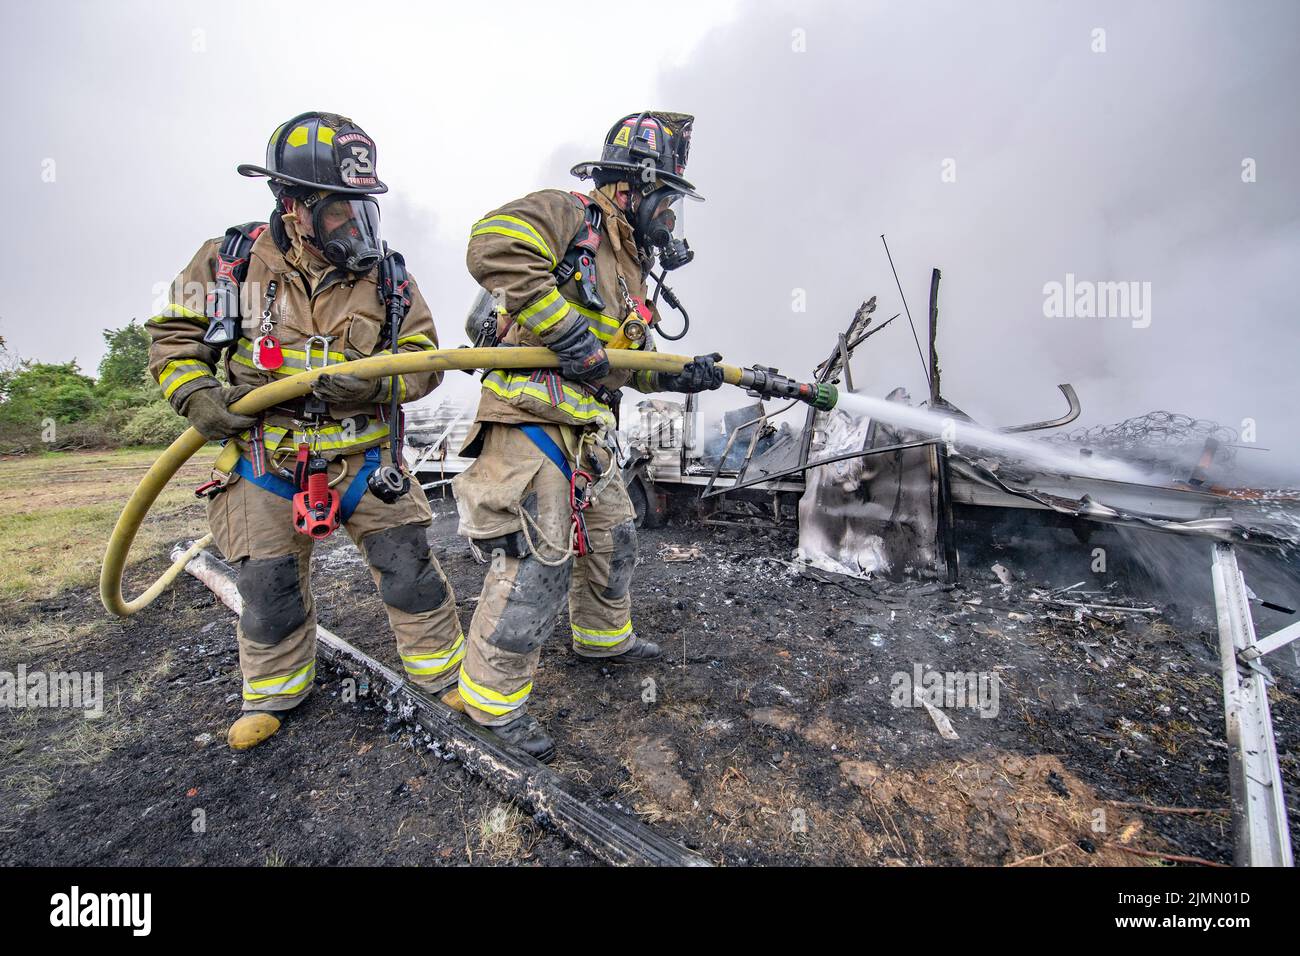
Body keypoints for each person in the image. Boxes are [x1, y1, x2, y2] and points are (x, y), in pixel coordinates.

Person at [148, 111, 463, 750]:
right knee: (267, 585)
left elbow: (427, 361)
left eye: (363, 208)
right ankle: (275, 692)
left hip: (367, 460)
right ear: (294, 207)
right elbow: (173, 341)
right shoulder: (230, 265)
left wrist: (375, 384)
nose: (357, 224)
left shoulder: (388, 278)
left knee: (411, 570)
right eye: (340, 211)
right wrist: (198, 395)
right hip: (265, 460)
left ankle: (443, 676)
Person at [451, 112, 724, 762]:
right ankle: (490, 706)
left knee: (614, 536)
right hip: (530, 423)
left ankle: (604, 641)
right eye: (667, 204)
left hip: (591, 430)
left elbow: (628, 361)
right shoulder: (571, 216)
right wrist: (567, 333)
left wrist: (684, 377)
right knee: (534, 567)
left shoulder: (629, 267)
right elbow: (490, 244)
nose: (671, 222)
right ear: (630, 190)